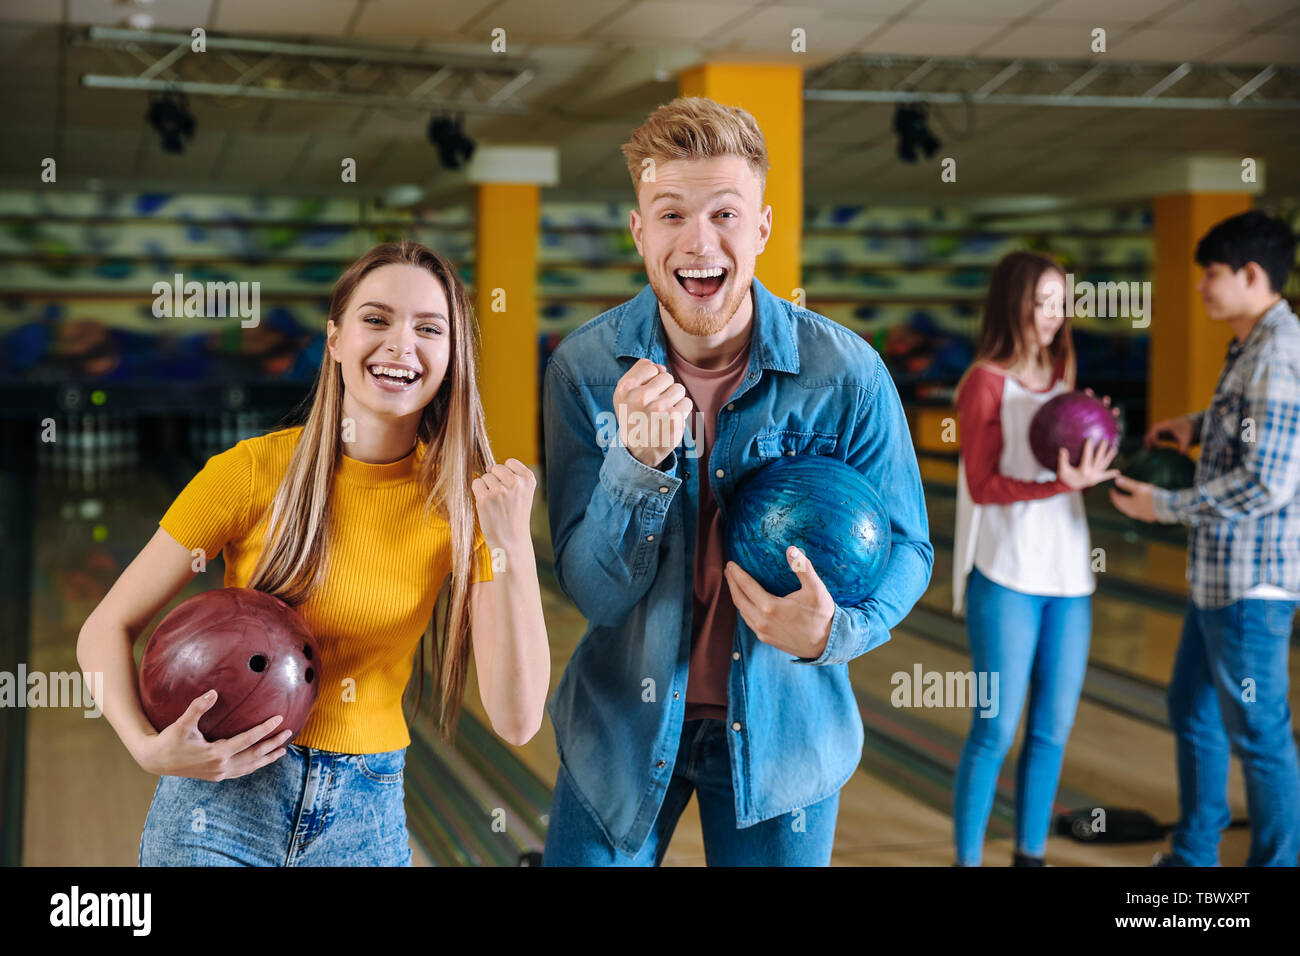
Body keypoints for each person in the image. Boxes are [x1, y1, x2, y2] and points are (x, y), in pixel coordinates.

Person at [540, 96, 933, 867]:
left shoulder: (847, 374)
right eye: (671, 214)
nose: (699, 242)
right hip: (620, 730)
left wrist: (833, 633)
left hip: (788, 744)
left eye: (725, 213)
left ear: (761, 227)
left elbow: (908, 547)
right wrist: (635, 465)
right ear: (639, 231)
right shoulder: (583, 371)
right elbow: (593, 592)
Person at [76, 241, 550, 866]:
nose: (401, 345)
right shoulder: (250, 472)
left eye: (429, 329)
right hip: (221, 806)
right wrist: (144, 745)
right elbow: (105, 626)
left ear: (452, 354)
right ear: (334, 339)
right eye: (376, 319)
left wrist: (513, 544)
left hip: (367, 811)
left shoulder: (463, 505)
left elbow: (517, 722)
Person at [1112, 210, 1300, 867]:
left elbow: (1266, 484)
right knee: (1191, 708)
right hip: (1219, 578)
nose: (1199, 287)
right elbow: (1248, 427)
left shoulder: (1278, 352)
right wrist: (1194, 428)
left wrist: (1165, 505)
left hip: (1253, 584)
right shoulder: (1250, 343)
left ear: (1252, 275)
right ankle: (1194, 854)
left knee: (1258, 731)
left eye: (1211, 275)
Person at [951, 251, 1119, 866]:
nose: (1053, 316)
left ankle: (1031, 856)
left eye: (1059, 303)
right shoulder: (983, 382)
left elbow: (1068, 454)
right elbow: (983, 484)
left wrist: (1098, 443)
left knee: (1051, 731)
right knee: (994, 732)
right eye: (1041, 303)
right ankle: (967, 861)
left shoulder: (1064, 366)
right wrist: (1063, 484)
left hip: (1070, 575)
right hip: (1006, 574)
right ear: (1013, 304)